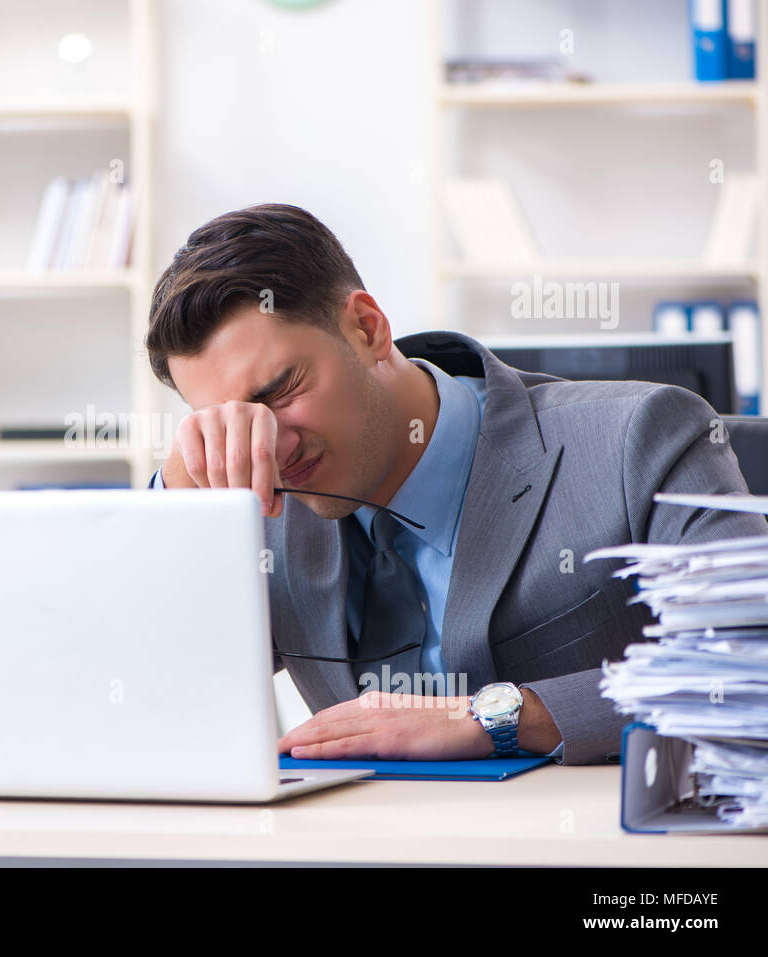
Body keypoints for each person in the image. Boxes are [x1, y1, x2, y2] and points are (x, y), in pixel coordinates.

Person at [145, 203, 767, 765]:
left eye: (281, 390)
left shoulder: (641, 436)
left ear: (366, 328)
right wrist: (174, 500)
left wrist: (499, 717)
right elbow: (135, 695)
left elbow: (750, 668)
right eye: (225, 420)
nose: (269, 444)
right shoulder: (249, 502)